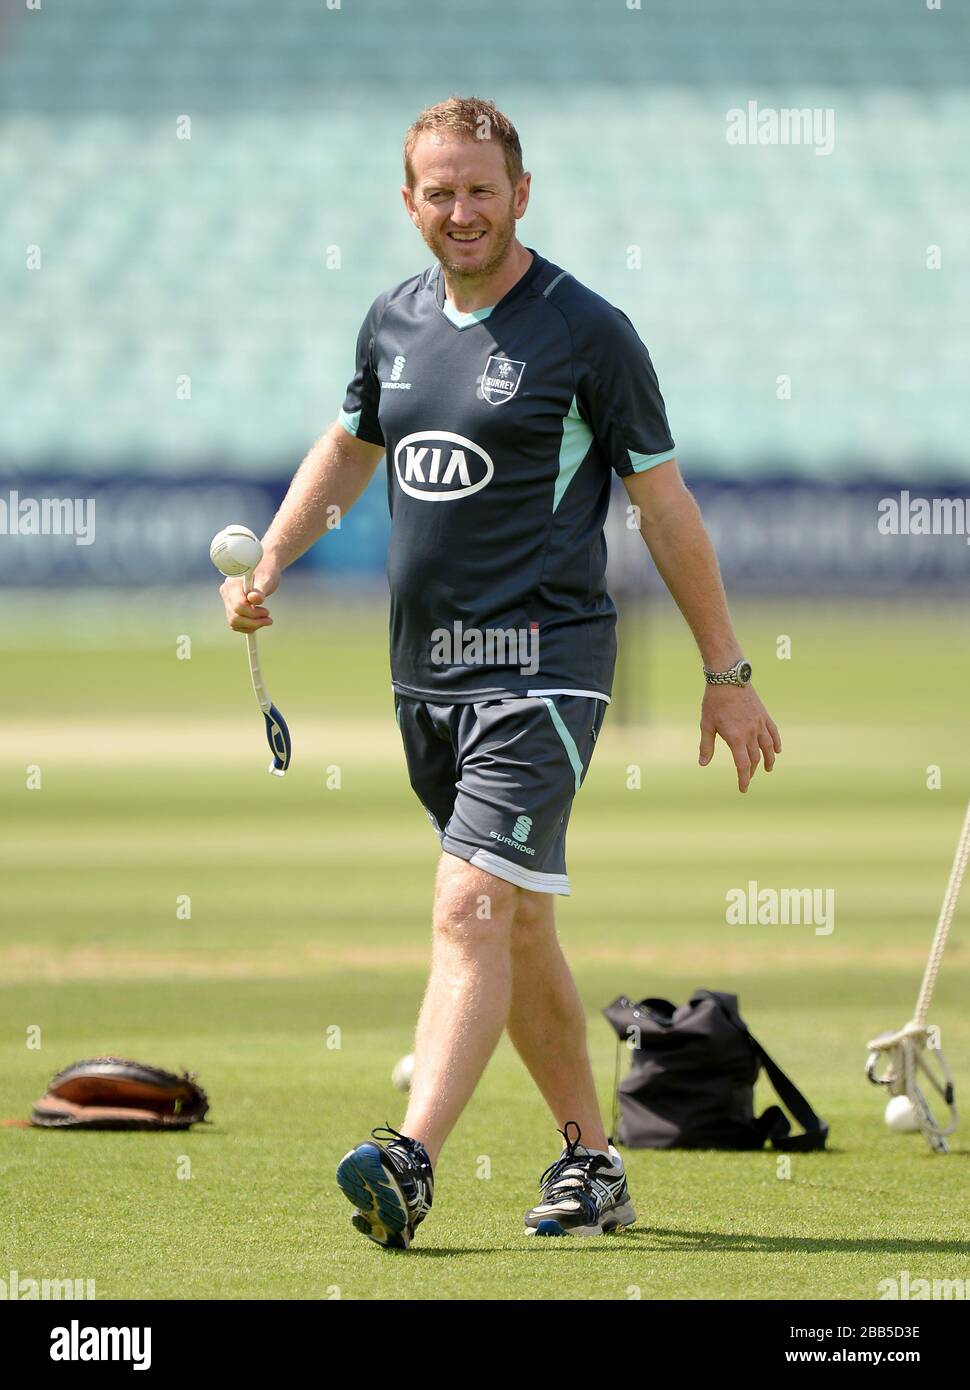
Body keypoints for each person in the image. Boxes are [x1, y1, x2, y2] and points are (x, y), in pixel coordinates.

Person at [218, 96, 782, 1248]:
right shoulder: (391, 321)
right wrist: (274, 553)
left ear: (521, 192)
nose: (462, 210)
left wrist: (726, 668)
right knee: (516, 928)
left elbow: (662, 503)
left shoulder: (587, 331)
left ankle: (410, 1157)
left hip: (545, 668)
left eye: (482, 189)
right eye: (440, 191)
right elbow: (349, 447)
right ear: (410, 200)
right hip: (423, 680)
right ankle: (593, 1161)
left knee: (469, 904)